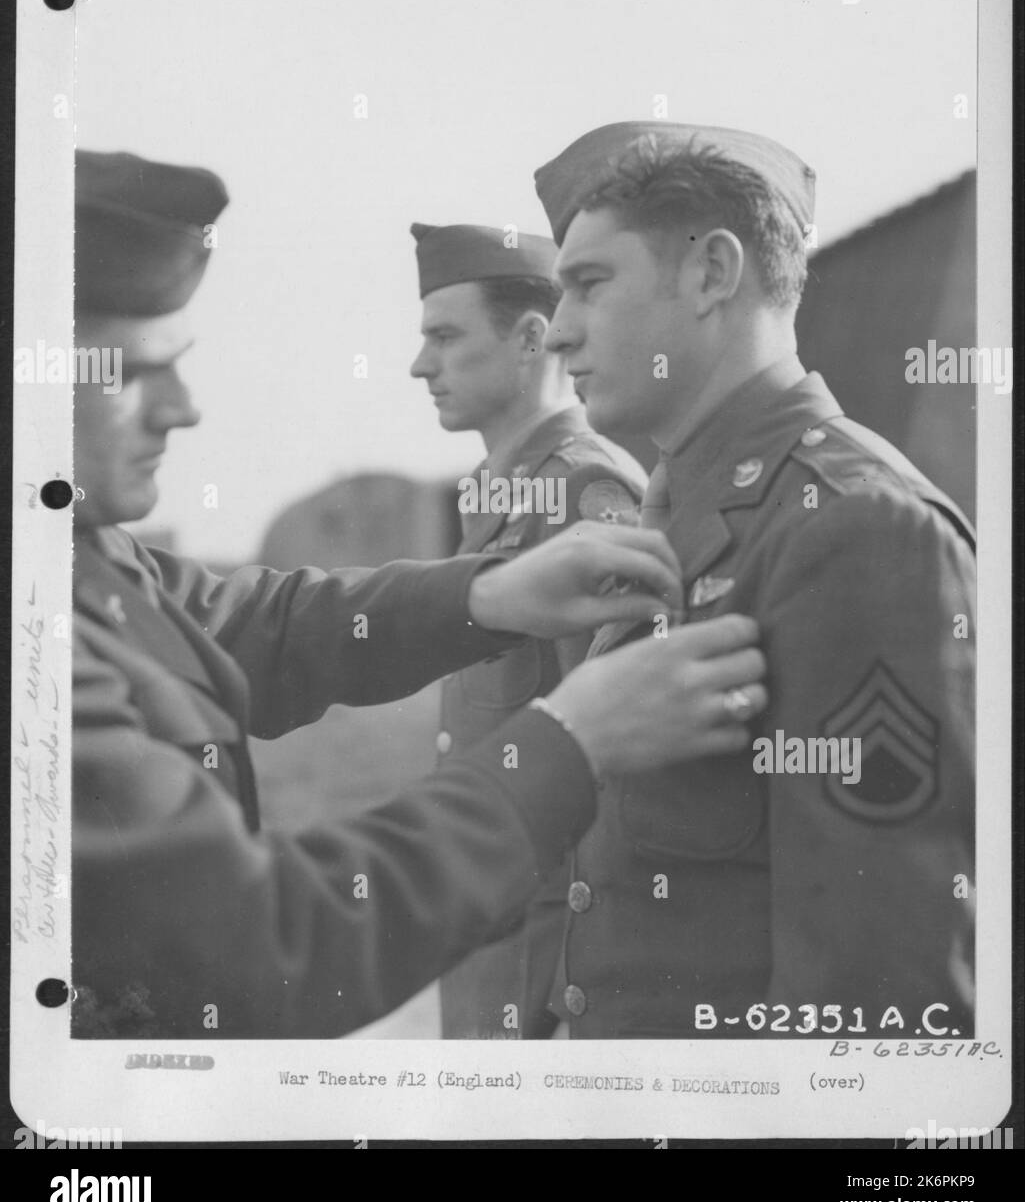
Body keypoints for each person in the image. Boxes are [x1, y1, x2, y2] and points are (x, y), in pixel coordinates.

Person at [70, 149, 768, 1039]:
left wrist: (487, 597)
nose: (185, 410)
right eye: (131, 372)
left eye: (445, 336)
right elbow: (257, 945)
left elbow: (242, 621)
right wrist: (569, 738)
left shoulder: (585, 491)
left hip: (525, 930)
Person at [528, 122, 976, 1039]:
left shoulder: (854, 527)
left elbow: (873, 999)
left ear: (711, 273)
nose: (560, 331)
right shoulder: (667, 517)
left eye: (590, 283)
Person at [409, 220, 647, 1039]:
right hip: (486, 919)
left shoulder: (589, 489)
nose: (419, 365)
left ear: (530, 340)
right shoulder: (487, 490)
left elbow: (619, 759)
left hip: (545, 954)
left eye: (444, 336)